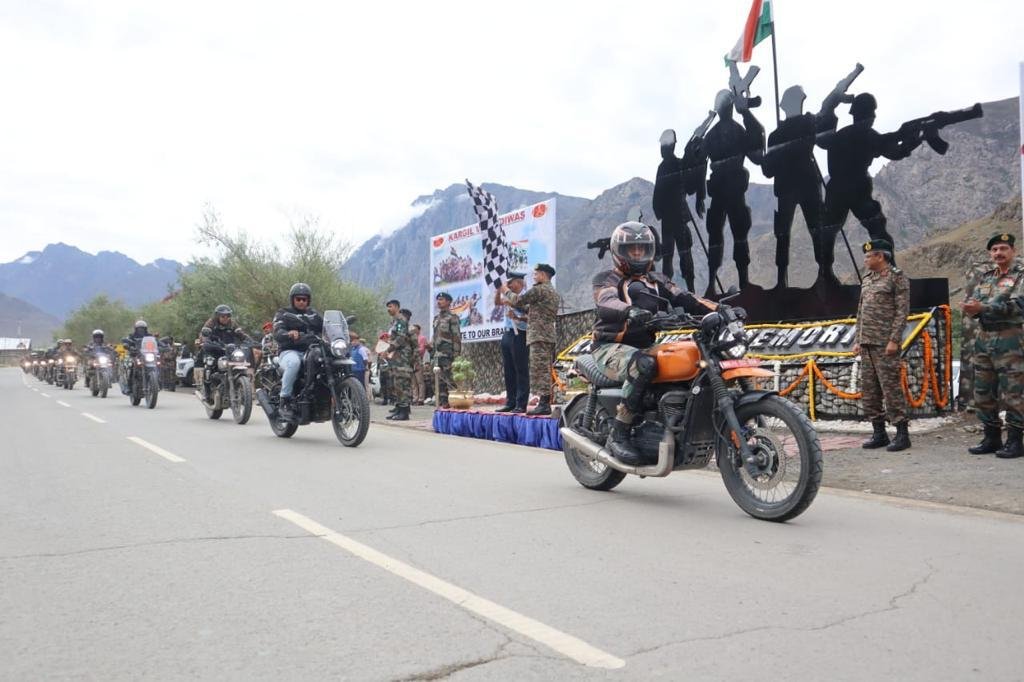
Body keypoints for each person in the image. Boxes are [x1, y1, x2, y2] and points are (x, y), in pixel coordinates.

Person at [591, 221, 715, 465]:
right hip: (607, 348)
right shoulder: (606, 278)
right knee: (644, 365)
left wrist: (721, 309)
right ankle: (619, 433)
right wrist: (628, 311)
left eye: (642, 249)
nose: (637, 254)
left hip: (642, 347)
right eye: (632, 249)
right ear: (619, 251)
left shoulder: (657, 279)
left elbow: (686, 298)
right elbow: (605, 301)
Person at [816, 93, 924, 285]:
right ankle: (886, 272)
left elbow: (892, 150)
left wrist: (910, 141)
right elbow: (893, 151)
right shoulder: (865, 135)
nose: (873, 117)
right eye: (871, 113)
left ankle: (826, 275)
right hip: (853, 190)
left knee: (831, 232)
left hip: (843, 191)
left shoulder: (845, 135)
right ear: (865, 114)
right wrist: (909, 140)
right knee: (872, 229)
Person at [962, 233, 1024, 459]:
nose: (998, 253)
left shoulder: (1020, 276)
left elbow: (1019, 305)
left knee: (1014, 392)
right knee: (982, 391)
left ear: (1013, 251)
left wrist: (984, 309)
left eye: (1003, 249)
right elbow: (978, 301)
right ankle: (991, 437)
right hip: (984, 339)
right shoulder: (987, 278)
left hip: (1010, 339)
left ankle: (1016, 441)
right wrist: (972, 308)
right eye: (994, 249)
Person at [852, 240, 911, 452]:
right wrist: (858, 339)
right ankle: (879, 433)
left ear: (881, 257)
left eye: (869, 256)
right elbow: (861, 312)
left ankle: (902, 434)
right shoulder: (867, 279)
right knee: (870, 391)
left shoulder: (897, 277)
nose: (866, 260)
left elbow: (902, 311)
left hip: (885, 344)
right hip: (867, 342)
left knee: (891, 389)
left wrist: (894, 339)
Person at [500, 263, 562, 415]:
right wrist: (518, 316)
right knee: (541, 369)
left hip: (539, 336)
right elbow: (534, 312)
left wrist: (505, 291)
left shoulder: (540, 289)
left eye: (536, 274)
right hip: (544, 335)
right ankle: (543, 402)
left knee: (540, 370)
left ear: (543, 275)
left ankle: (544, 403)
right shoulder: (550, 292)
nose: (534, 277)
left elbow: (519, 300)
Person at [272, 283, 324, 423]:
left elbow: (326, 326)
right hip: (290, 351)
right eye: (298, 299)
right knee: (294, 363)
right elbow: (277, 331)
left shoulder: (313, 314)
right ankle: (285, 399)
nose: (301, 302)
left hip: (312, 351)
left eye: (304, 299)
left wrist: (341, 330)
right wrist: (288, 333)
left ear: (308, 300)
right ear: (293, 299)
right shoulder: (283, 313)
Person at [494, 271, 530, 412]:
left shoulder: (525, 297)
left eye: (511, 282)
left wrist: (516, 314)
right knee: (509, 370)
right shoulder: (508, 295)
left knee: (520, 369)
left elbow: (532, 316)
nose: (508, 285)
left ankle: (521, 404)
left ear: (519, 283)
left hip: (520, 333)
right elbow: (498, 302)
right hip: (508, 334)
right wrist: (498, 291)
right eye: (507, 283)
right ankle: (510, 401)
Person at [429, 292, 462, 409]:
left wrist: (456, 355)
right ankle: (443, 404)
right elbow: (435, 336)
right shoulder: (436, 319)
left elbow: (456, 337)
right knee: (439, 382)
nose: (439, 302)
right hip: (438, 355)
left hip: (448, 354)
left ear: (448, 302)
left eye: (441, 299)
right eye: (438, 299)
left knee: (450, 381)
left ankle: (454, 404)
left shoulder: (452, 318)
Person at [384, 299, 414, 421]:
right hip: (396, 357)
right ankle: (399, 408)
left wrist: (389, 349)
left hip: (402, 356)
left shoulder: (401, 320)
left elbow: (401, 338)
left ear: (396, 307)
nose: (388, 309)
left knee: (402, 383)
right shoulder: (395, 321)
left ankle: (404, 411)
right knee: (397, 383)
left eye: (390, 307)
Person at [410, 323, 427, 405]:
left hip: (418, 360)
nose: (414, 330)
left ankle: (421, 399)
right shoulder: (411, 338)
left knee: (420, 381)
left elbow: (421, 349)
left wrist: (413, 351)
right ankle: (415, 398)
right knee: (413, 382)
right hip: (411, 361)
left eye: (415, 329)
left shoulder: (422, 338)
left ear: (419, 330)